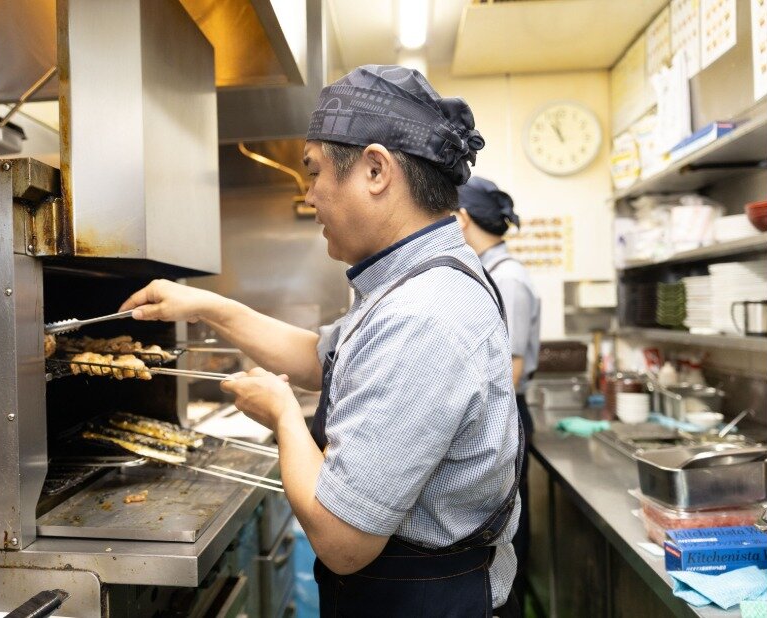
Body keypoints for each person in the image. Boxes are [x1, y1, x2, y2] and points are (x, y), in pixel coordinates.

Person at [120, 65, 522, 617]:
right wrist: (206, 305)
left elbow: (342, 541)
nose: (309, 196)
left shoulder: (423, 314)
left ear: (375, 170)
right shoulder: (413, 281)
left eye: (313, 172)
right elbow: (321, 359)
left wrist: (283, 413)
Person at [456, 177, 541, 614]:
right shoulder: (489, 271)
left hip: (506, 412)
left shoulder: (507, 278)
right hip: (499, 411)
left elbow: (512, 367)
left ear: (462, 218)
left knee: (506, 526)